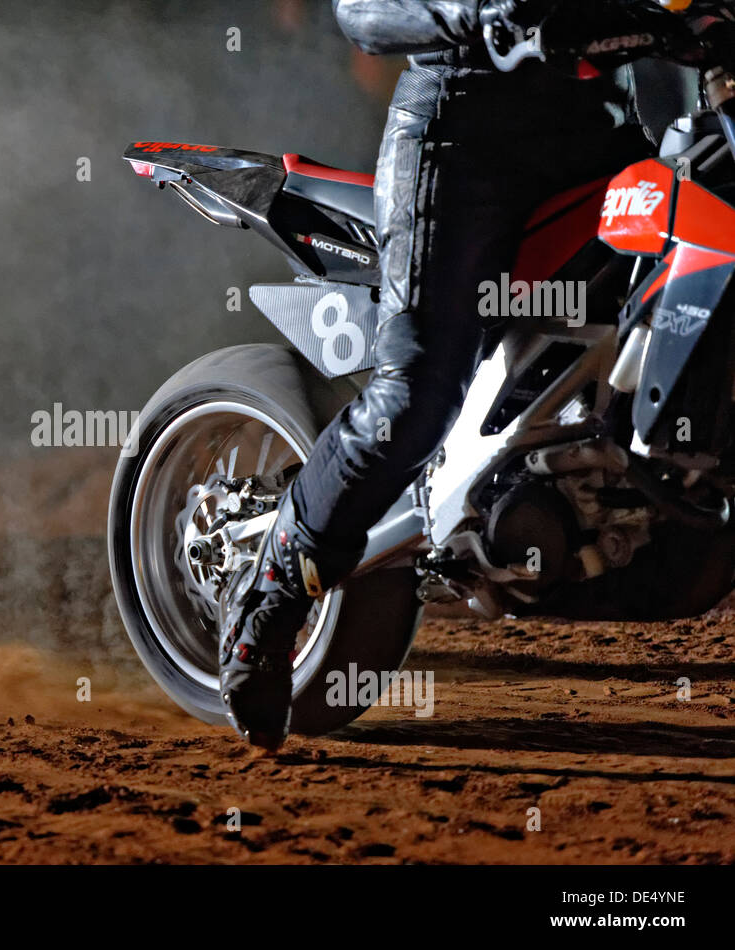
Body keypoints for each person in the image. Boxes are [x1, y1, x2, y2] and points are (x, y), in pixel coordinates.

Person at [217, 0, 655, 750]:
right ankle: (273, 590)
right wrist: (473, 9)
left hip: (602, 133)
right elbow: (360, 11)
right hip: (463, 138)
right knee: (414, 394)